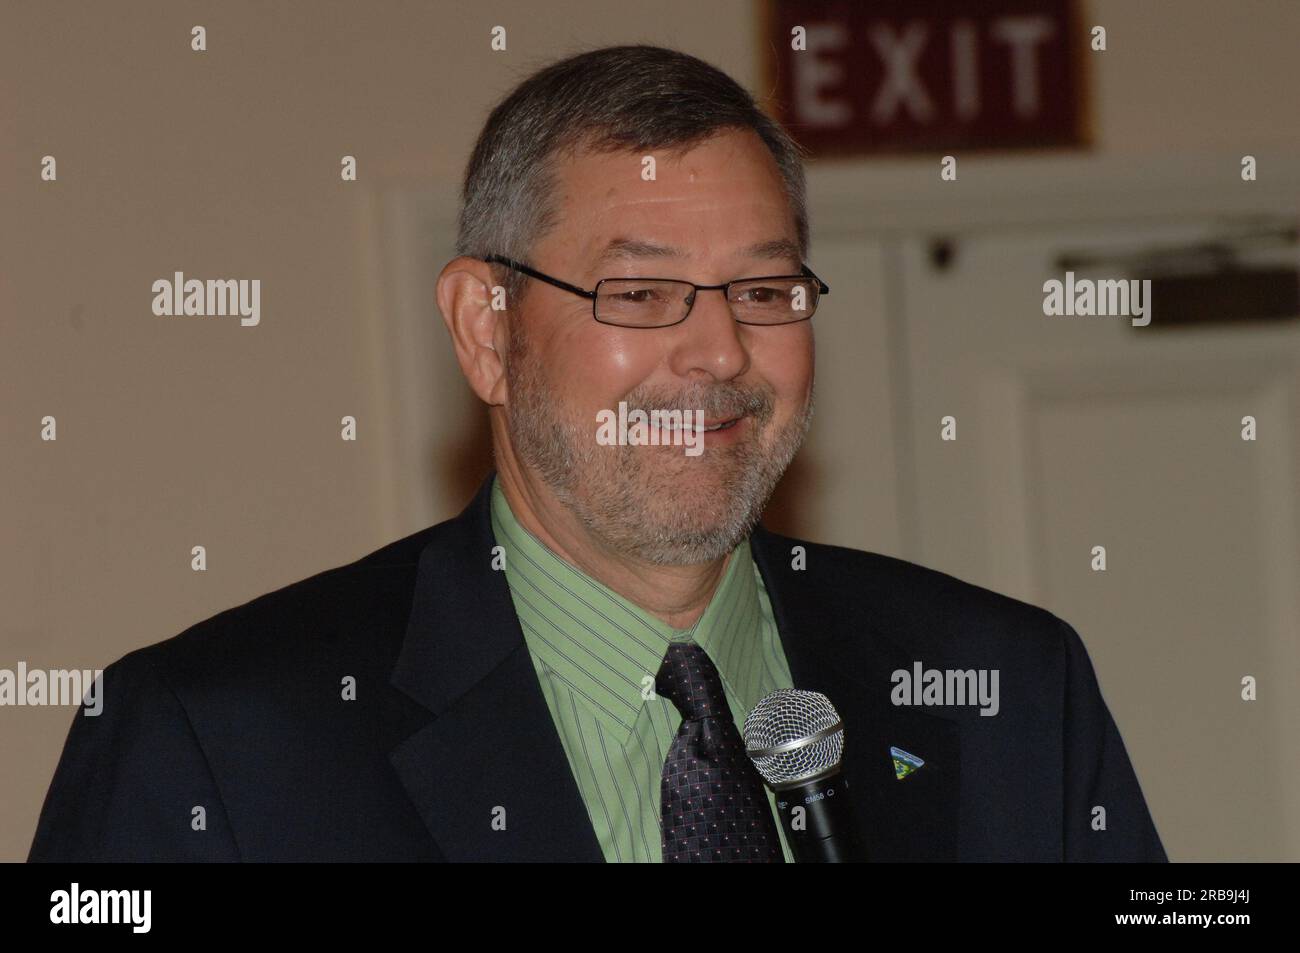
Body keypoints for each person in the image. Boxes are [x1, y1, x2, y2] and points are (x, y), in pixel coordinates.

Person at [29, 44, 1166, 863]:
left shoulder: (1008, 690)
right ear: (488, 329)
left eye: (763, 290)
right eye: (640, 292)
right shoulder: (218, 740)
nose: (720, 351)